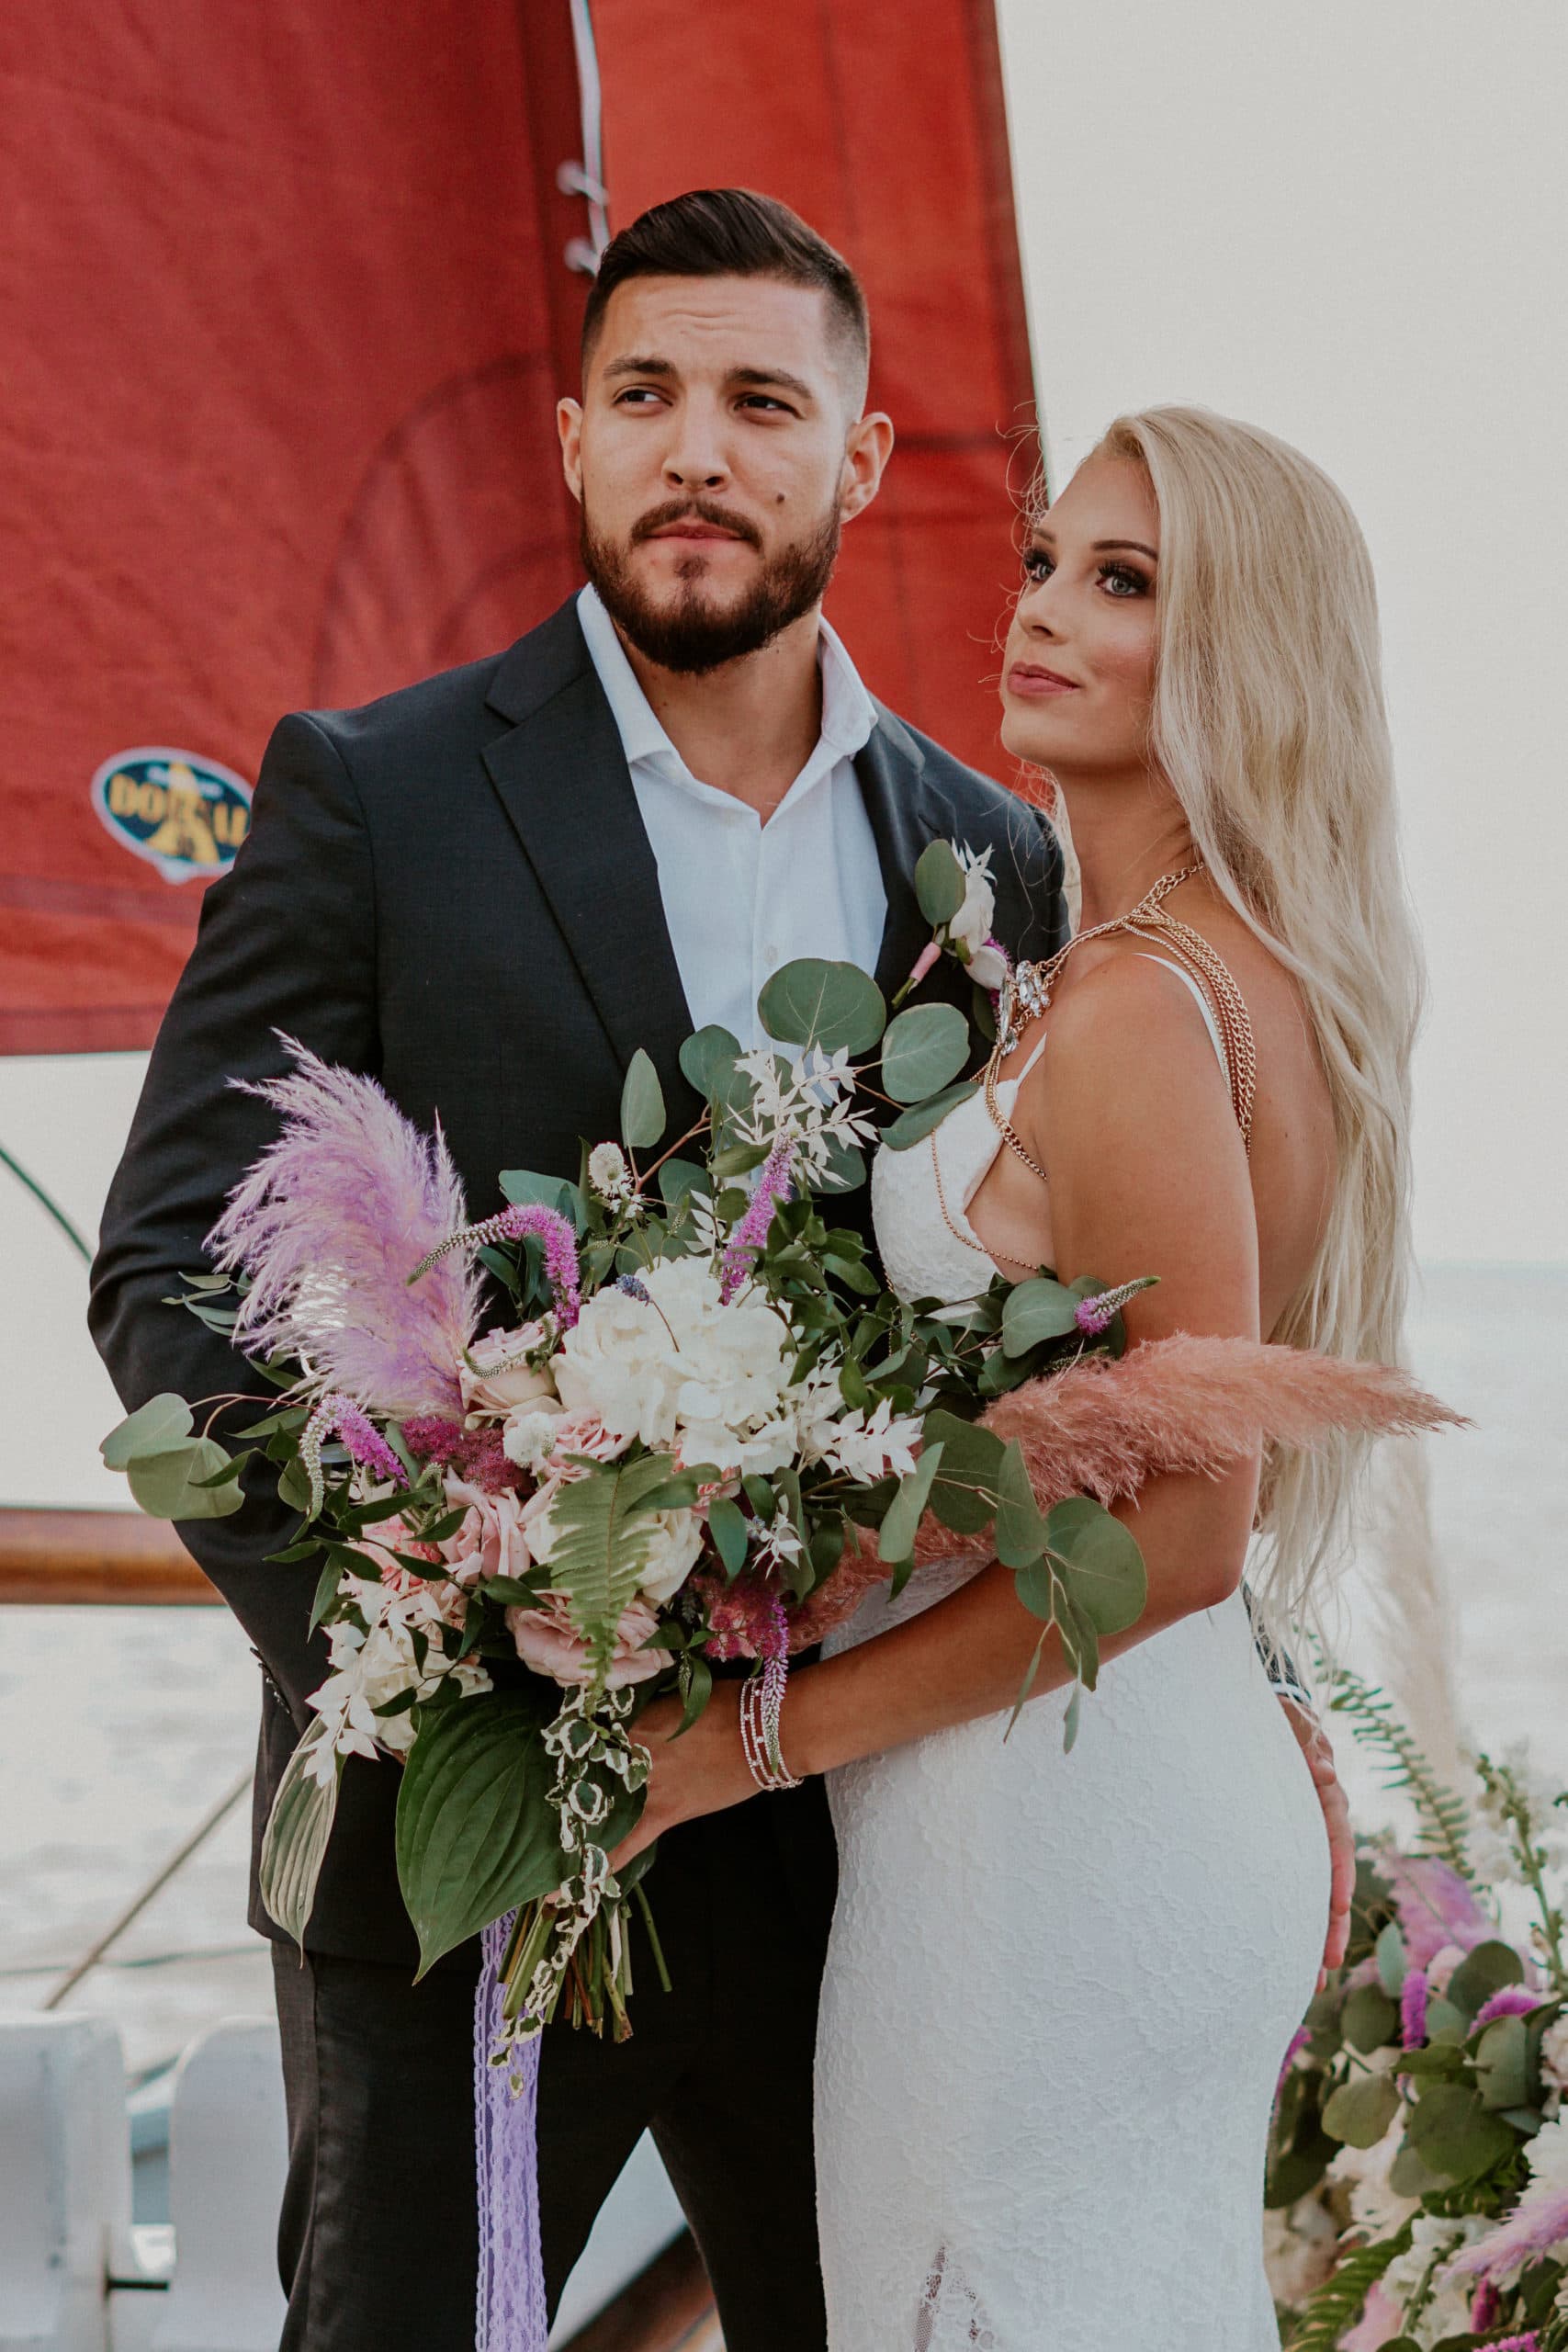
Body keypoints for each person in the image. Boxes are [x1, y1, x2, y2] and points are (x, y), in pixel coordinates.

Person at [90, 189, 1347, 2348]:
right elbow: (169, 1276)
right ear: (571, 440)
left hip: (864, 1863)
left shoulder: (998, 854)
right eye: (646, 395)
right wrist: (413, 1638)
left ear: (853, 460)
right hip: (455, 1859)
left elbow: (1104, 1347)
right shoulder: (370, 795)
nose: (698, 449)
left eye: (761, 400)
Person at [620, 404, 1418, 2347]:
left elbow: (1187, 1529)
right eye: (1049, 558)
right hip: (1120, 1790)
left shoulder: (1142, 1005)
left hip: (1040, 1828)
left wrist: (747, 1741)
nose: (1045, 608)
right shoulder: (1214, 969)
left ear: (1242, 649)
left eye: (1124, 581)